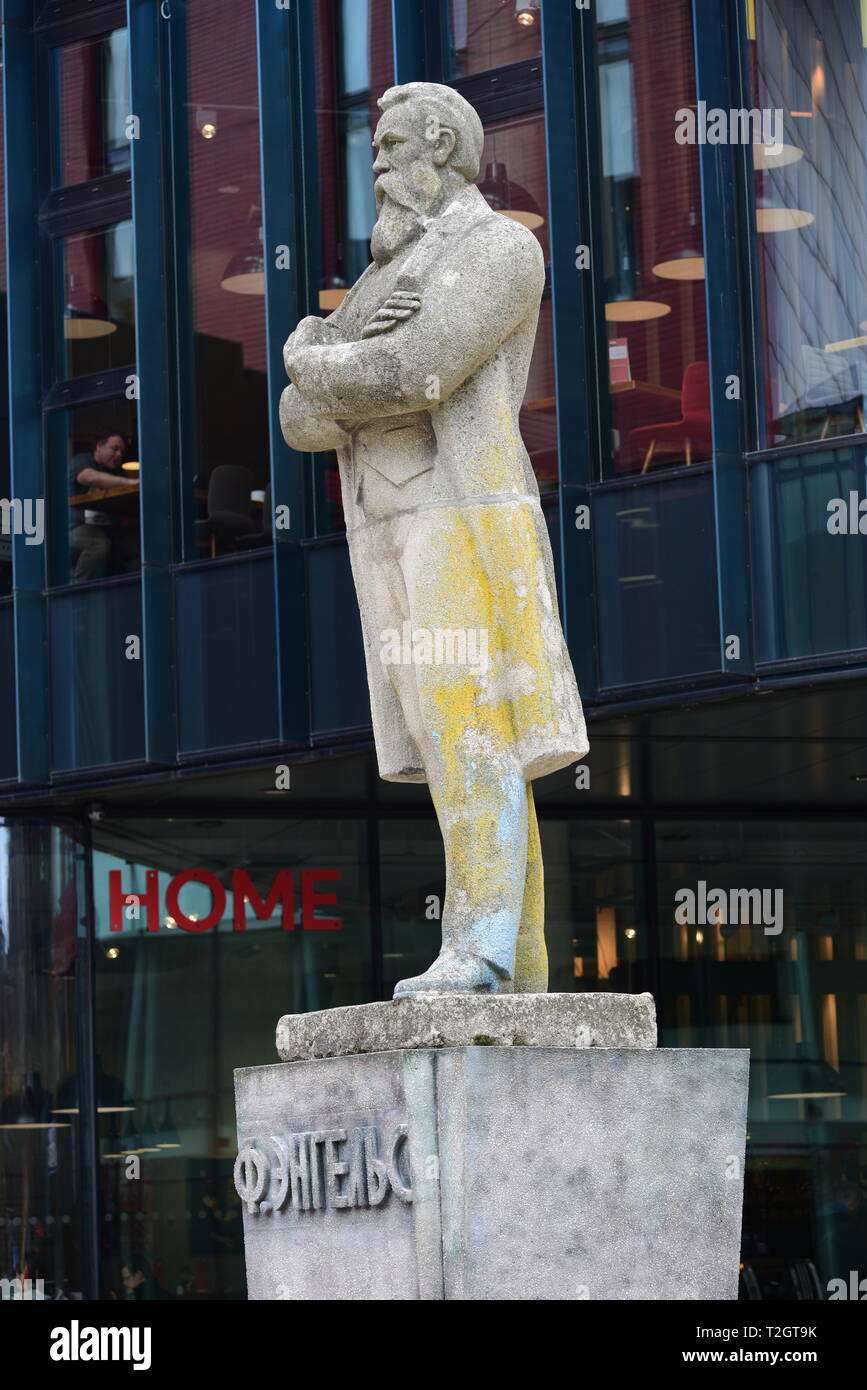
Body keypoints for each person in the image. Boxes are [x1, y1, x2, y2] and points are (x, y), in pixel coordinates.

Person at [280, 82, 588, 997]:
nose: (375, 162)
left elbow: (418, 371)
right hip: (383, 522)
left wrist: (312, 353)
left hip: (457, 514)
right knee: (447, 728)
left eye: (390, 143)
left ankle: (482, 950)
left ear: (443, 143)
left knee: (469, 724)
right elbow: (298, 422)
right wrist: (333, 370)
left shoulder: (496, 248)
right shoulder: (377, 278)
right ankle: (510, 959)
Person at [68, 431, 139, 581]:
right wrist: (128, 482)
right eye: (114, 449)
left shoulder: (119, 472)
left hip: (108, 530)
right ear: (99, 446)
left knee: (137, 546)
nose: (119, 454)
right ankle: (78, 594)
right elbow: (88, 477)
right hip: (73, 528)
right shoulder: (82, 461)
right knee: (99, 544)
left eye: (122, 451)